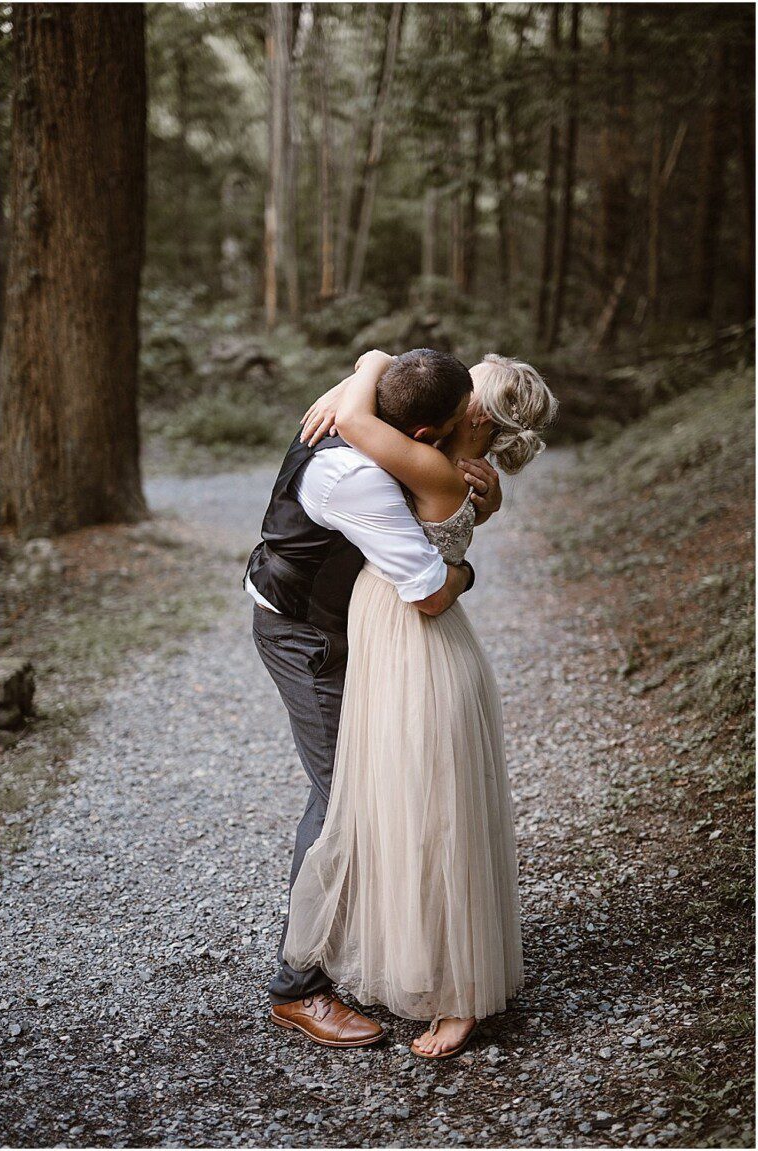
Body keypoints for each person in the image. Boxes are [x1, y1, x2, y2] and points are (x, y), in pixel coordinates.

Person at [283, 349, 557, 1058]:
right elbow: (451, 529)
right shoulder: (463, 476)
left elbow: (351, 416)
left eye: (477, 370)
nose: (471, 362)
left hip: (417, 638)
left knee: (433, 811)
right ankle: (425, 962)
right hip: (408, 640)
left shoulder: (432, 466)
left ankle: (457, 994)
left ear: (468, 413)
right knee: (421, 803)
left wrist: (366, 362)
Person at [245, 347, 502, 1049]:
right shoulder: (357, 474)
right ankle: (297, 989)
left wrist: (364, 371)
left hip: (346, 627)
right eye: (452, 428)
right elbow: (427, 591)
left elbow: (381, 355)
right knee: (342, 802)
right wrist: (468, 569)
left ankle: (367, 940)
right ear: (423, 434)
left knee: (378, 785)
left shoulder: (371, 410)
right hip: (307, 637)